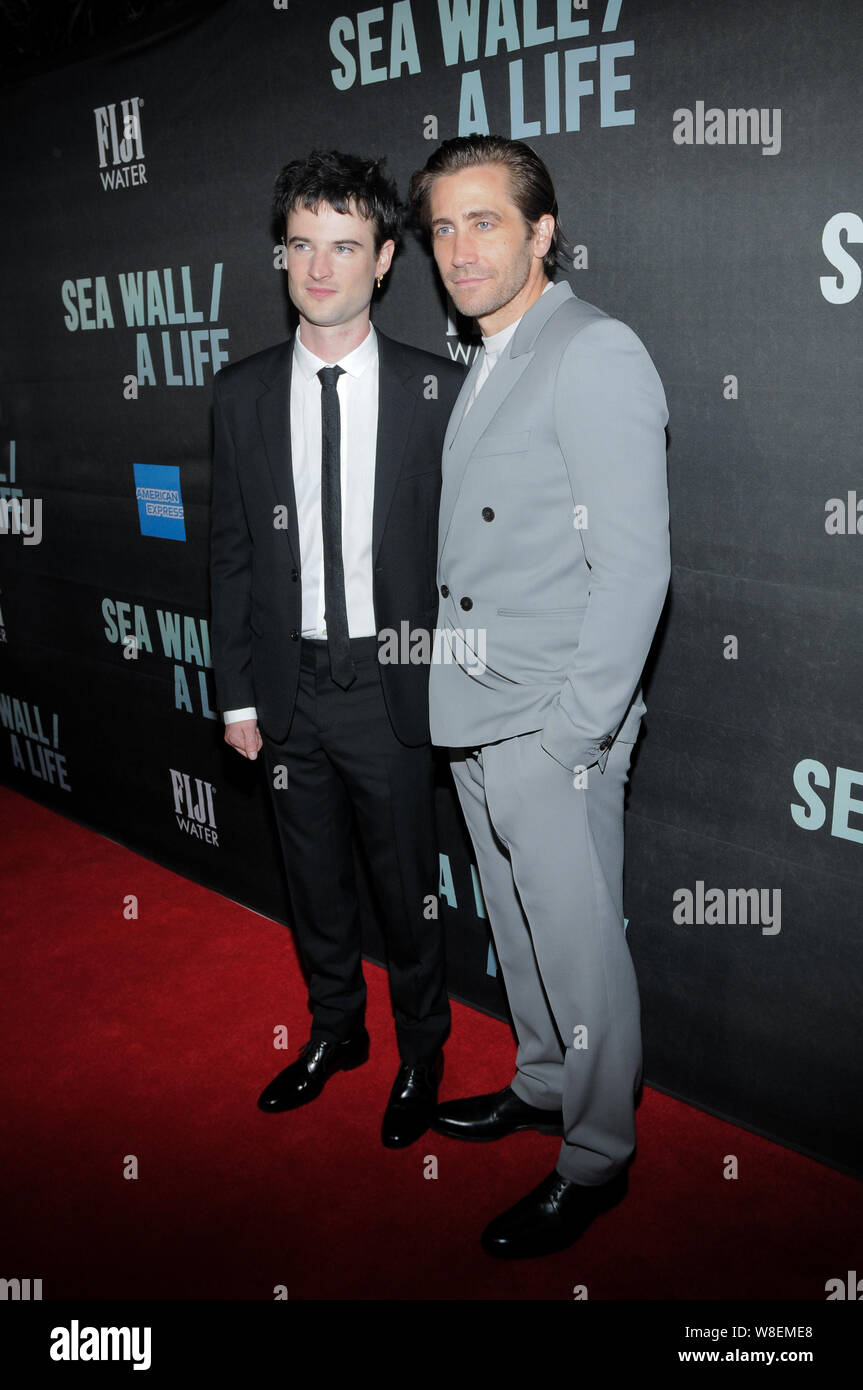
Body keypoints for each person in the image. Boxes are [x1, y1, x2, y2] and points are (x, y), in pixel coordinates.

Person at [409, 135, 670, 1255]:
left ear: (541, 234)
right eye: (441, 228)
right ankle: (543, 1081)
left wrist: (573, 734)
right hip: (474, 710)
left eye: (484, 223)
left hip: (547, 721)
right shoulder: (488, 350)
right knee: (518, 929)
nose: (459, 250)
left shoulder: (593, 349)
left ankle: (596, 1152)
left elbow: (635, 567)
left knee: (575, 942)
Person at [210, 149, 463, 1148]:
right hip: (287, 686)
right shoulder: (239, 393)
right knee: (309, 877)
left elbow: (472, 557)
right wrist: (237, 697)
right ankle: (334, 1032)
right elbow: (231, 551)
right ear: (282, 257)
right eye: (301, 246)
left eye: (344, 247)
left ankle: (422, 1048)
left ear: (386, 259)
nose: (319, 269)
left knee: (408, 891)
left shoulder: (437, 391)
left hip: (391, 681)